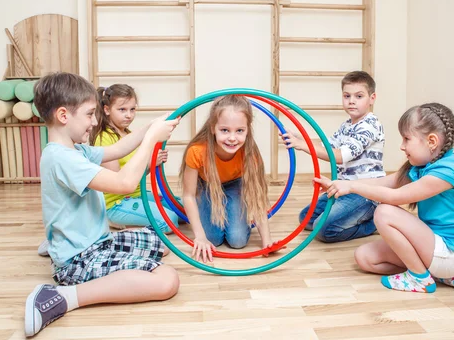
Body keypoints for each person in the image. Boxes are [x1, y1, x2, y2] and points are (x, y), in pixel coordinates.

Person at [25, 73, 180, 337]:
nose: (95, 122)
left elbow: (119, 148)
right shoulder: (64, 159)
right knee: (167, 280)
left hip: (97, 241)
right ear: (64, 115)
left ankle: (57, 242)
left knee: (160, 245)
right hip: (81, 258)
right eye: (89, 114)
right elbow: (124, 183)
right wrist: (152, 140)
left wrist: (150, 127)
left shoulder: (76, 150)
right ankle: (64, 296)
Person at [316, 102, 454, 293]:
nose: (402, 146)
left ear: (432, 141)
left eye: (407, 139)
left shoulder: (447, 172)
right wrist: (343, 186)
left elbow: (395, 196)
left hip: (451, 255)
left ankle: (420, 279)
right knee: (364, 258)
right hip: (433, 247)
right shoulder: (423, 166)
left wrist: (352, 186)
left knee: (384, 211)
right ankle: (430, 273)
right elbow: (385, 182)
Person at [281, 71, 385, 242]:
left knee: (322, 230)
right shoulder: (347, 125)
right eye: (347, 96)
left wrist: (303, 146)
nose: (351, 101)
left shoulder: (369, 126)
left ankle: (373, 222)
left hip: (365, 194)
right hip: (342, 189)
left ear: (372, 98)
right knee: (305, 219)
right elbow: (327, 145)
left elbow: (340, 156)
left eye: (359, 96)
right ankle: (350, 215)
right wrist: (301, 138)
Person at [180, 95, 278, 262]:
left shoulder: (250, 155)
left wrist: (266, 241)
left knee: (238, 241)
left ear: (248, 129)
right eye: (225, 130)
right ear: (213, 128)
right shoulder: (197, 152)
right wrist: (200, 236)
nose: (232, 138)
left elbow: (257, 198)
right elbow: (188, 195)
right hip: (207, 185)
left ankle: (230, 205)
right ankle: (216, 205)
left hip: (235, 184)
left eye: (239, 130)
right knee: (212, 239)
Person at [91, 83, 179, 233]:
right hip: (117, 204)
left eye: (132, 109)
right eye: (122, 110)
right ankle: (120, 225)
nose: (129, 115)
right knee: (170, 221)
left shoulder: (128, 134)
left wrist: (152, 164)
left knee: (181, 207)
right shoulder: (103, 138)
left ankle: (137, 220)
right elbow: (118, 181)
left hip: (137, 195)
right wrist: (149, 163)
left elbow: (138, 175)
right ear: (107, 110)